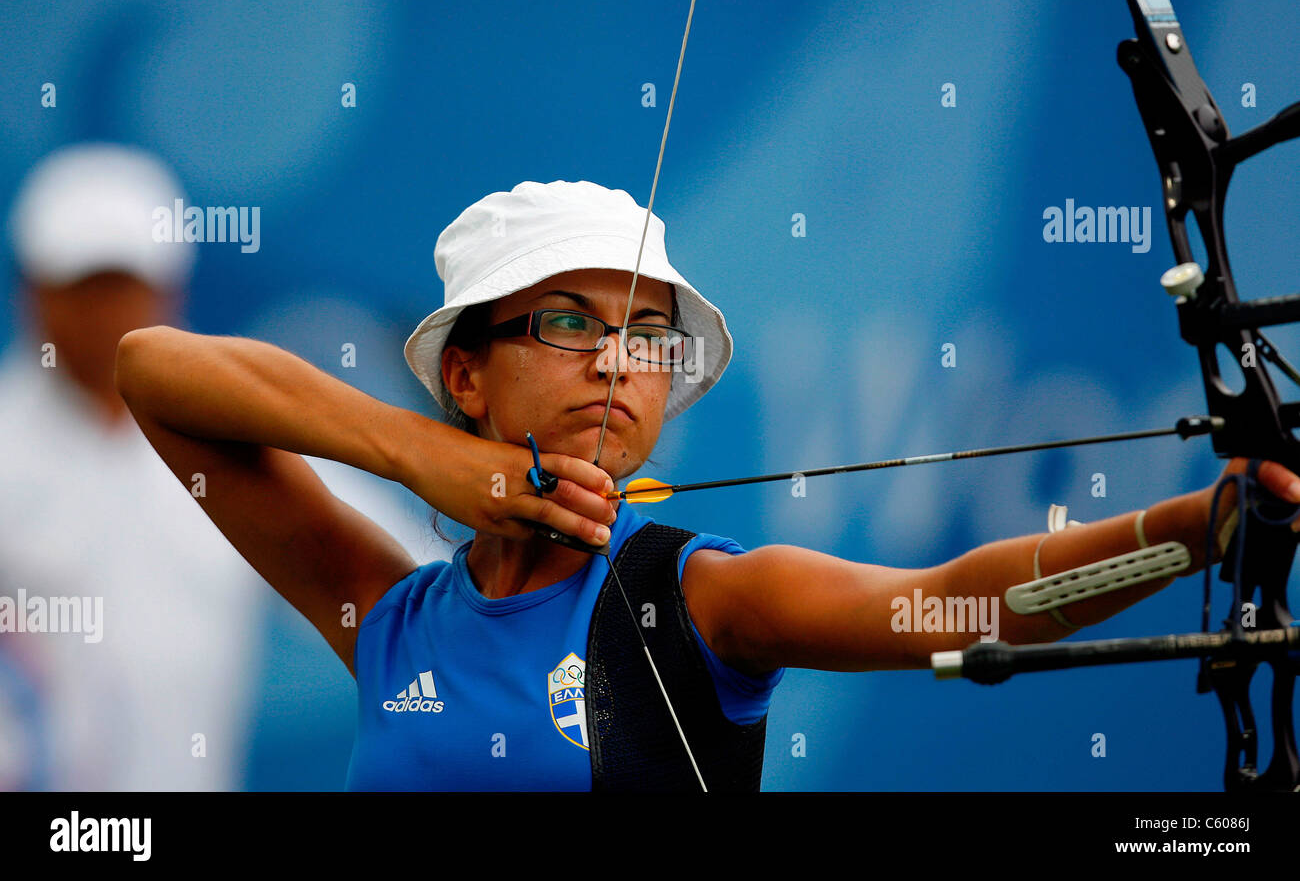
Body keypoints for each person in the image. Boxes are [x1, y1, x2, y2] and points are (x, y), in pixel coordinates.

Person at [114, 179, 1300, 791]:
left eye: (646, 335)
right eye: (567, 320)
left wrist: (1196, 526)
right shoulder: (389, 613)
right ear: (463, 372)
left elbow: (963, 604)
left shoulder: (697, 600)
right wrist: (419, 454)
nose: (617, 358)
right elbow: (153, 371)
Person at [0, 142, 434, 789]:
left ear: (169, 291)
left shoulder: (234, 442)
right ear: (34, 294)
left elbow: (405, 582)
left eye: (124, 285)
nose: (104, 312)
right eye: (81, 288)